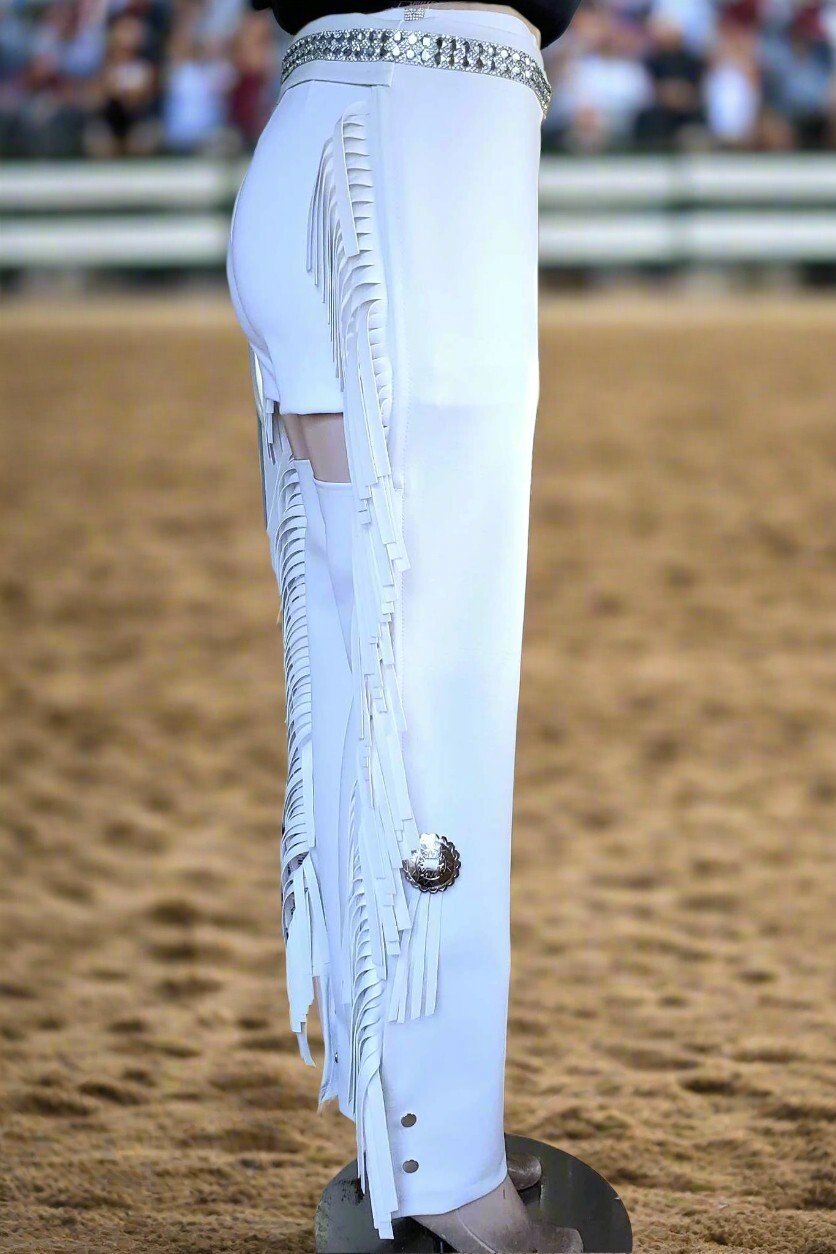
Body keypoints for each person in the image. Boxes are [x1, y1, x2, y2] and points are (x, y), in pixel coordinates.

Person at [226, 1, 584, 1249]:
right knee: (434, 689)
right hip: (414, 196)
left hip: (339, 157)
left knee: (367, 673)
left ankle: (418, 1127)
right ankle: (443, 1177)